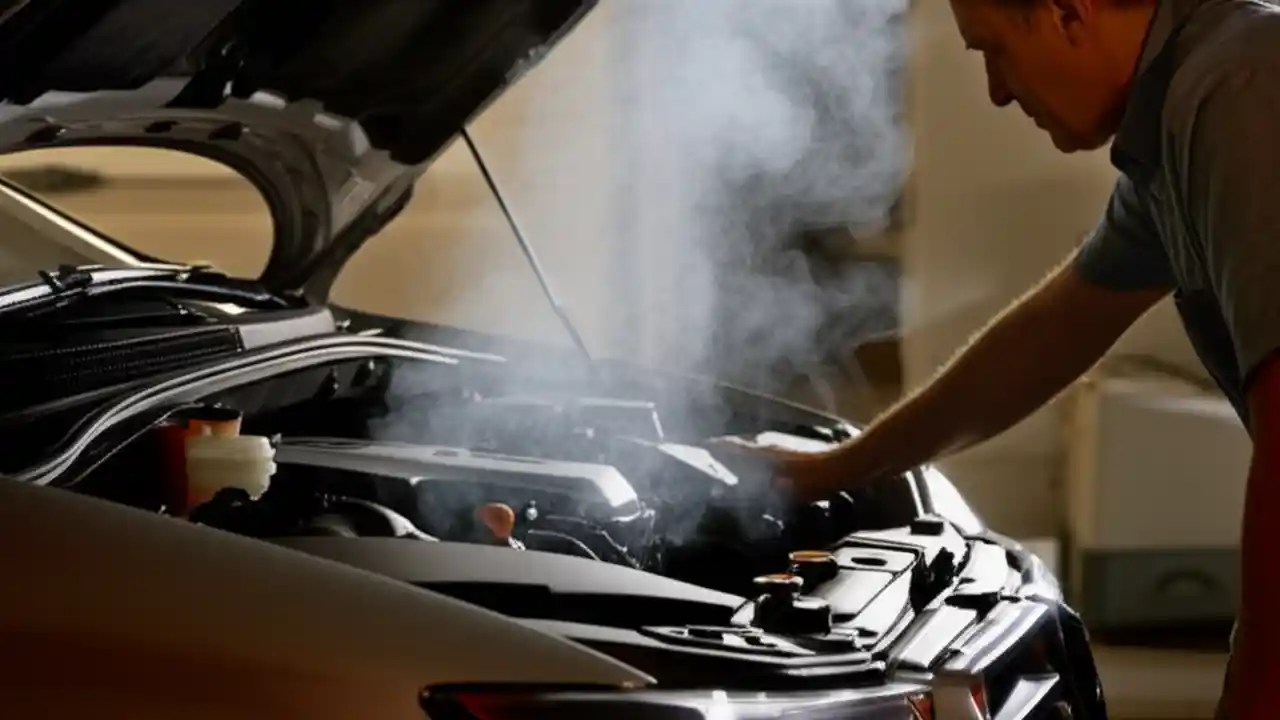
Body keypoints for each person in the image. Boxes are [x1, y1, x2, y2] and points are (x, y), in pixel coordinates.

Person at [726, 0, 1280, 717]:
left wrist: (1256, 692)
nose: (995, 89)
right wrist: (831, 469)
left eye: (993, 51)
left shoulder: (1234, 91)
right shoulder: (1177, 127)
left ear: (1066, 12)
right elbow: (1045, 339)